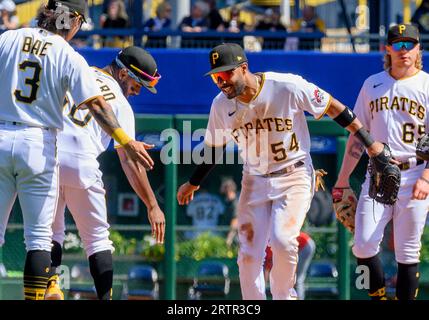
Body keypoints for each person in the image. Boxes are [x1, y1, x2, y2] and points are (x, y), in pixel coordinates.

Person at [177, 42, 387, 300]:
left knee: (282, 240)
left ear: (244, 68)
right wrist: (193, 183)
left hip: (294, 174)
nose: (221, 81)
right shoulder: (221, 105)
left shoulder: (286, 85)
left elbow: (333, 107)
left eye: (226, 74)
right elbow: (214, 148)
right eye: (216, 77)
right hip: (254, 179)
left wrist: (370, 143)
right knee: (248, 255)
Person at [0, 0, 154, 300]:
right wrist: (125, 140)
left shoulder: (8, 37)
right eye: (79, 23)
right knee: (41, 239)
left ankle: (52, 288)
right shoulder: (68, 55)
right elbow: (96, 104)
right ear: (72, 20)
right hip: (39, 143)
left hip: (2, 132)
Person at [45, 47, 166, 300]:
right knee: (97, 239)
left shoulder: (78, 72)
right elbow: (129, 161)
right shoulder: (120, 104)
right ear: (122, 73)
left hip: (49, 157)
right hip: (82, 164)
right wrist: (152, 204)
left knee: (49, 231)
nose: (138, 90)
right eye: (137, 83)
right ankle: (104, 297)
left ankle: (51, 285)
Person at [332, 24, 429, 300]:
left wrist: (426, 178)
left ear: (419, 48)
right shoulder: (372, 84)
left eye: (410, 44)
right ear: (386, 49)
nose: (404, 50)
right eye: (398, 45)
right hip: (377, 175)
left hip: (415, 174)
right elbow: (357, 135)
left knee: (408, 250)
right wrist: (341, 181)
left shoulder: (427, 84)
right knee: (362, 245)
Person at [263, 231, 315, 300]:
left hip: (305, 245)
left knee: (296, 277)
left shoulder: (267, 246)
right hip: (301, 245)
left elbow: (266, 270)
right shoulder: (266, 246)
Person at [219, 177, 239, 247]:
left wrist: (229, 238)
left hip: (235, 239)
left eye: (222, 186)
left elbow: (235, 220)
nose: (220, 188)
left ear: (227, 188)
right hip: (228, 235)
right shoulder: (227, 202)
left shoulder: (235, 203)